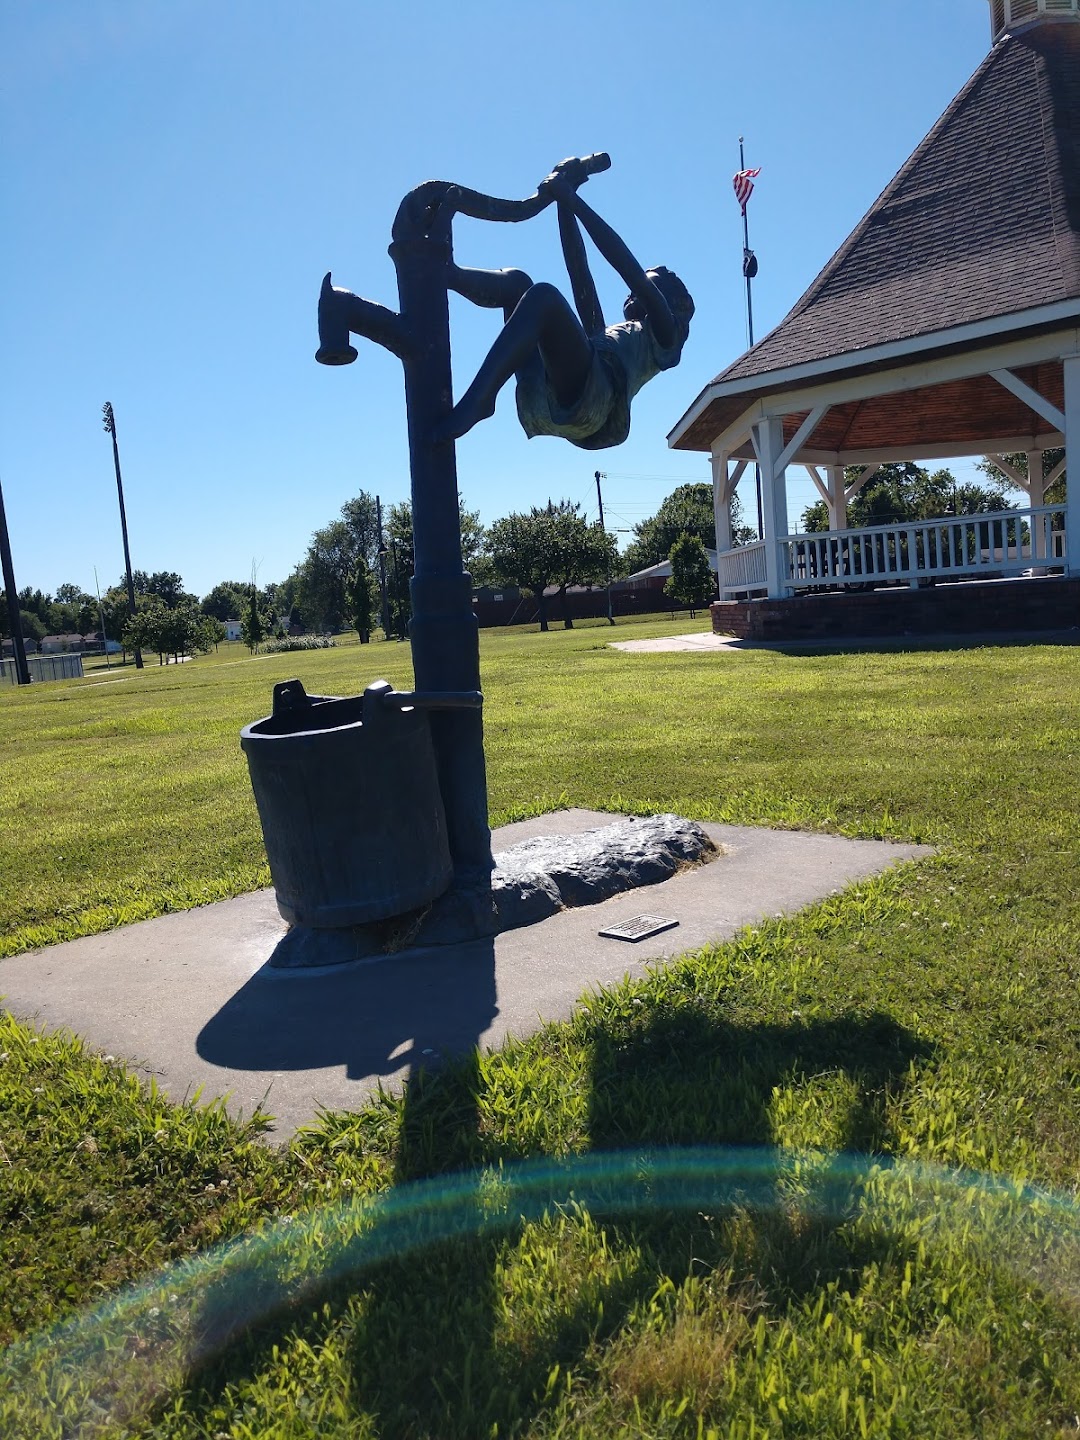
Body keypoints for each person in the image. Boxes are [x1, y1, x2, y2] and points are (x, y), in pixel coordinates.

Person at [433, 158, 693, 451]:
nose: (632, 294)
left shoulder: (665, 335)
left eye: (652, 282)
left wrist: (570, 198)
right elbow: (578, 269)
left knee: (544, 297)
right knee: (519, 284)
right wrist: (566, 198)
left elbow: (628, 268)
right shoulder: (607, 339)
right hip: (553, 399)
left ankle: (480, 401)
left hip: (594, 403)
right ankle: (450, 276)